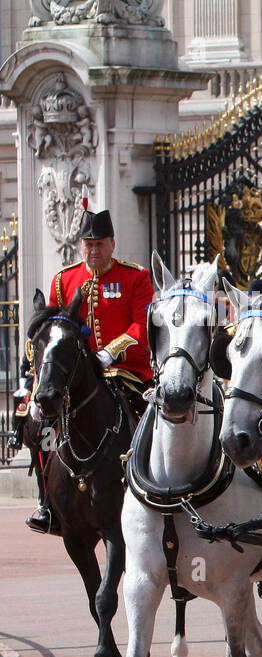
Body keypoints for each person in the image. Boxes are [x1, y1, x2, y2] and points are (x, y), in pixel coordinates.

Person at [28, 207, 153, 534]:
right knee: (39, 428)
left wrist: (109, 354)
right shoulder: (64, 280)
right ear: (81, 246)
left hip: (126, 372)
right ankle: (46, 504)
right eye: (88, 244)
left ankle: (157, 486)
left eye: (100, 244)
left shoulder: (134, 277)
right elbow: (54, 330)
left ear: (112, 244)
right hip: (76, 376)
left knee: (151, 420)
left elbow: (142, 325)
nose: (94, 250)